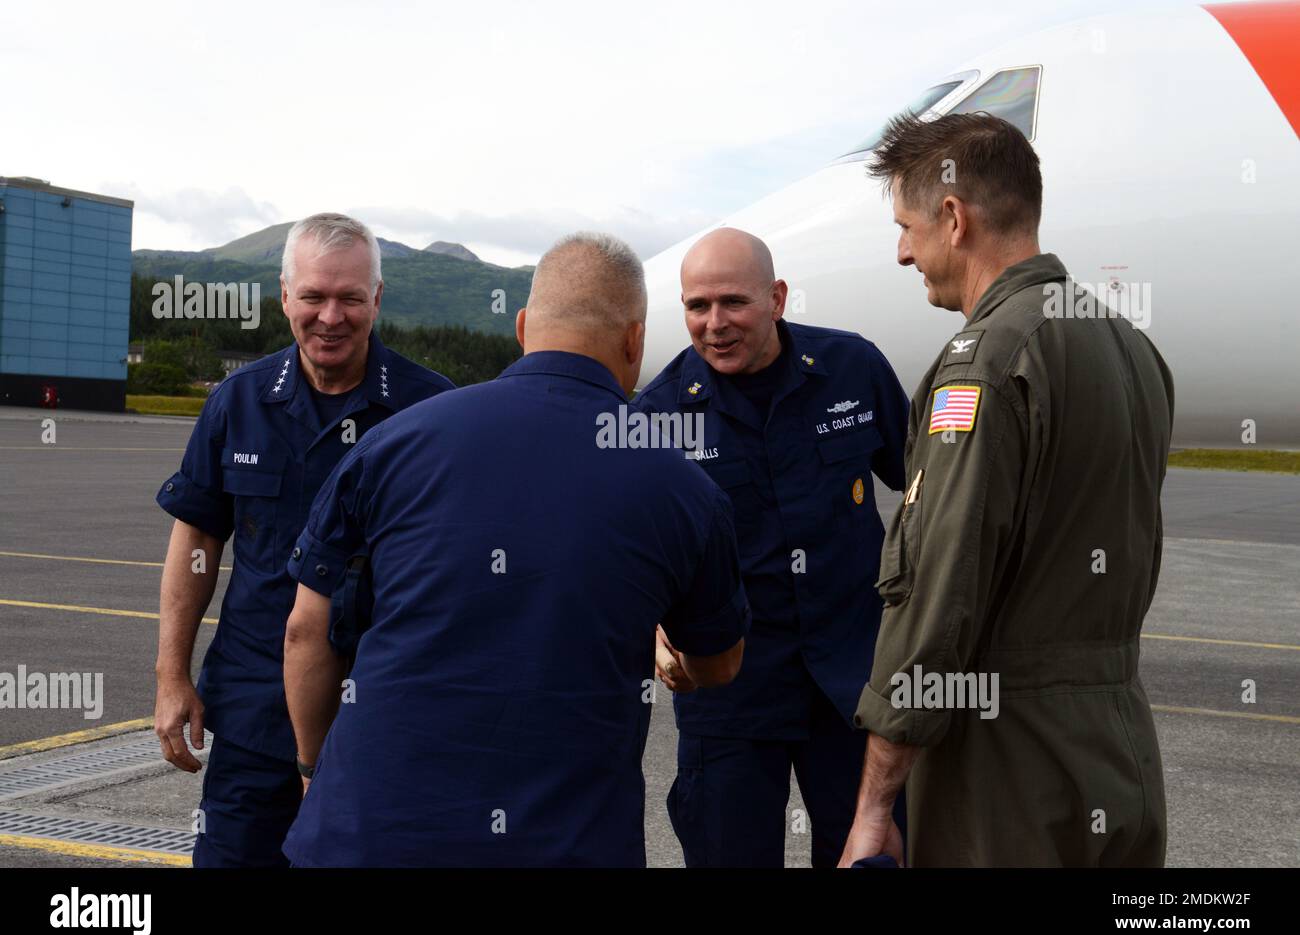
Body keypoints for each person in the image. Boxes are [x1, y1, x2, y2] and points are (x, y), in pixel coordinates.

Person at [280, 232, 749, 867]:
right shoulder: (684, 488)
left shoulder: (393, 442)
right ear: (635, 340)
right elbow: (718, 666)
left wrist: (313, 765)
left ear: (524, 327)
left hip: (366, 832)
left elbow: (306, 632)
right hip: (564, 843)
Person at [839, 112, 1173, 867]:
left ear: (953, 218)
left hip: (1010, 774)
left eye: (906, 226)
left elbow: (936, 599)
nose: (902, 252)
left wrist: (874, 805)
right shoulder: (1131, 346)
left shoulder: (984, 361)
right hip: (1121, 753)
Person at [153, 213, 455, 867]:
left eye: (350, 297)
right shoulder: (237, 404)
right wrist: (172, 675)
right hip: (253, 719)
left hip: (379, 720)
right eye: (314, 296)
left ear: (376, 298)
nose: (330, 315)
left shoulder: (433, 415)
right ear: (285, 294)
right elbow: (197, 537)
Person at [634, 227, 910, 868]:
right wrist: (648, 623)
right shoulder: (658, 413)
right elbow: (630, 551)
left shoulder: (853, 369)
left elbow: (926, 488)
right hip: (730, 692)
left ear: (778, 297)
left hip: (852, 687)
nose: (714, 324)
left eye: (733, 302)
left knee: (870, 856)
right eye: (696, 307)